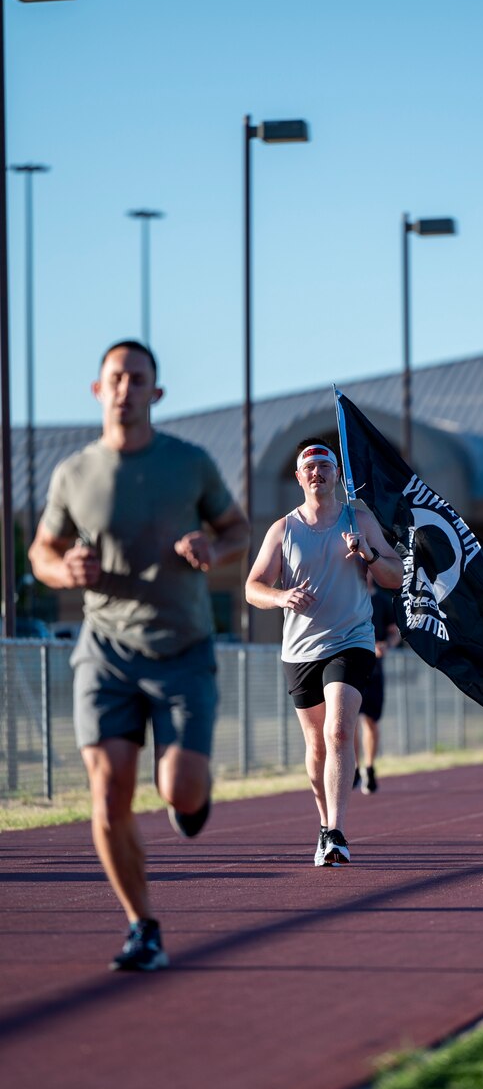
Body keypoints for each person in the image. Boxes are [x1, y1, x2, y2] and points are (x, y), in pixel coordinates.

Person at [29, 340, 249, 972]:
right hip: (105, 651)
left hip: (182, 648)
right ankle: (141, 924)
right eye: (115, 378)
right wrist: (64, 569)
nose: (126, 388)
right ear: (98, 391)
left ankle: (192, 797)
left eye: (138, 379)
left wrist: (213, 548)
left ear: (156, 393)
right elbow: (41, 552)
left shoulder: (190, 463)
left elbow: (237, 530)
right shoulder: (75, 473)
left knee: (177, 790)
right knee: (108, 793)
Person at [245, 438, 403, 866]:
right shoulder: (283, 529)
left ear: (337, 475)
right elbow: (252, 586)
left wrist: (368, 554)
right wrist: (280, 598)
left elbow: (395, 575)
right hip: (299, 651)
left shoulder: (360, 519)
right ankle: (322, 825)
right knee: (316, 745)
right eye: (308, 468)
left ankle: (337, 832)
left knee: (338, 731)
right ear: (299, 478)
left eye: (324, 466)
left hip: (351, 640)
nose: (317, 473)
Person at [354, 571, 401, 794]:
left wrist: (386, 645)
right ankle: (352, 768)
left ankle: (369, 768)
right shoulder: (348, 597)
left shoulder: (382, 601)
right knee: (347, 722)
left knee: (370, 721)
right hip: (348, 669)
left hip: (374, 671)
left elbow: (395, 633)